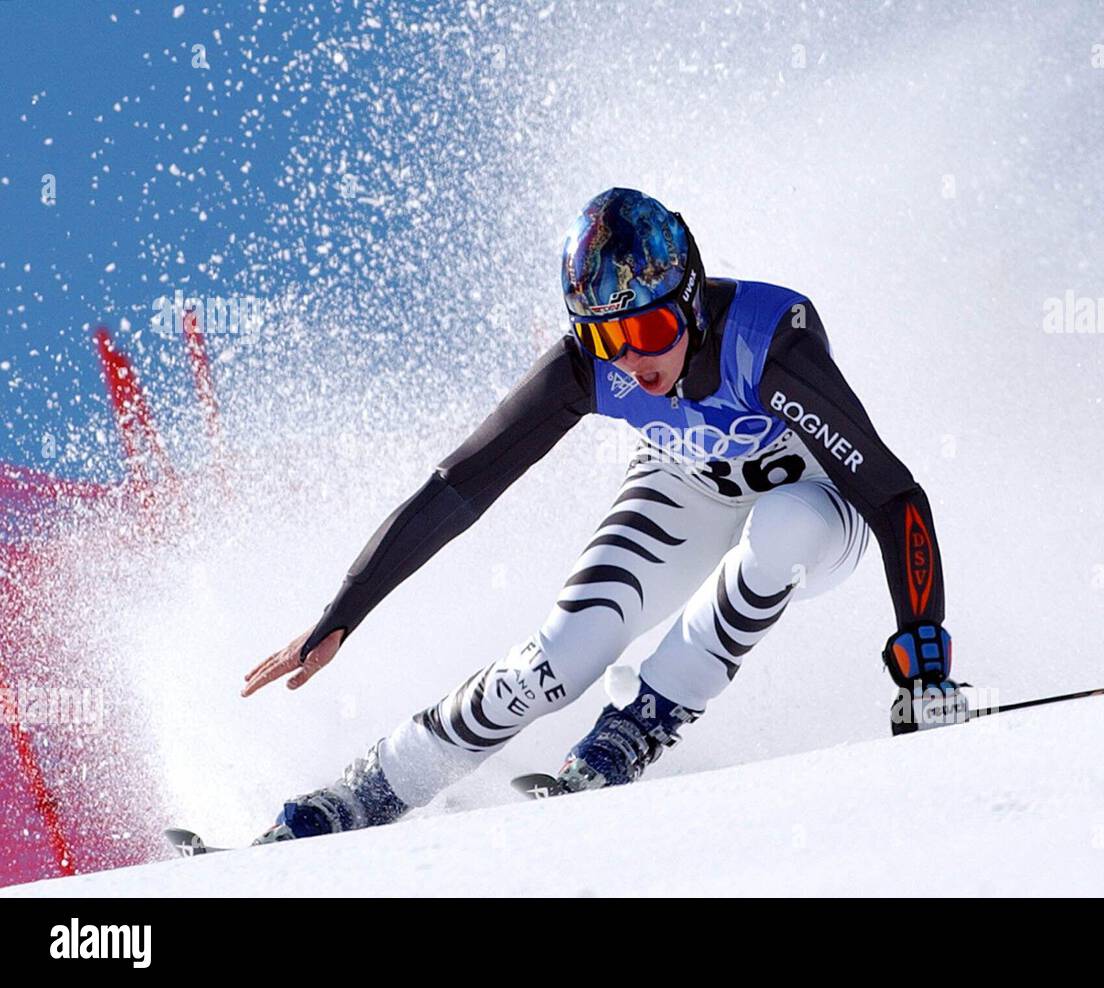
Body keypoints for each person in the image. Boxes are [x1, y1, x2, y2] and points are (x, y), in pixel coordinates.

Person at [240, 187, 965, 842]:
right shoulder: (591, 368)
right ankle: (370, 789)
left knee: (785, 531)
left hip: (816, 502)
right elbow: (462, 484)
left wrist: (924, 664)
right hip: (685, 482)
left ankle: (642, 720)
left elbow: (892, 495)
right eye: (605, 338)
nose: (632, 364)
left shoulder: (768, 342)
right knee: (566, 652)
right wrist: (346, 608)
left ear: (690, 301)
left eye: (648, 332)